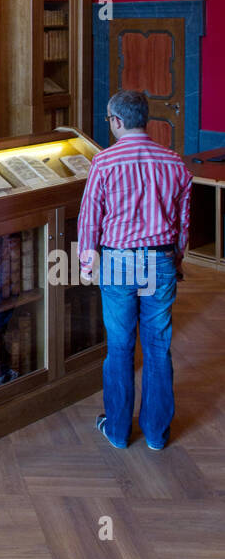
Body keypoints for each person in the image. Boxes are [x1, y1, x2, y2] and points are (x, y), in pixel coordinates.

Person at [78, 89, 192, 451]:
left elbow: (90, 218)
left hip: (118, 261)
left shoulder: (104, 162)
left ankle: (117, 430)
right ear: (145, 119)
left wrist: (86, 262)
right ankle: (157, 434)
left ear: (116, 121)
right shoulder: (174, 163)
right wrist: (175, 261)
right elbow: (182, 224)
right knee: (158, 348)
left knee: (121, 347)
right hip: (159, 261)